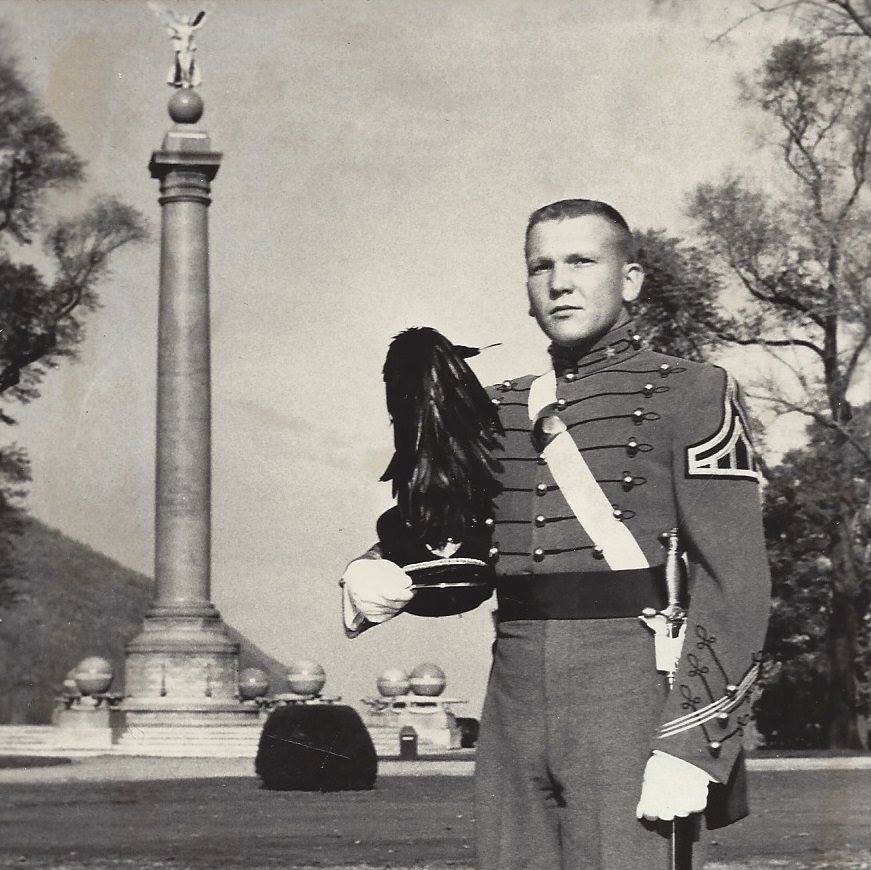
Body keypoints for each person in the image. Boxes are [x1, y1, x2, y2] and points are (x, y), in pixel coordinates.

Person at [341, 198, 771, 869]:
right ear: (526, 289)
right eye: (541, 266)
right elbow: (455, 546)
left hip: (628, 695)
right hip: (511, 697)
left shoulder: (691, 391)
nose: (559, 281)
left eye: (580, 261)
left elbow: (736, 584)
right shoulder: (498, 406)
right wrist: (380, 570)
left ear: (628, 279)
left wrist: (693, 742)